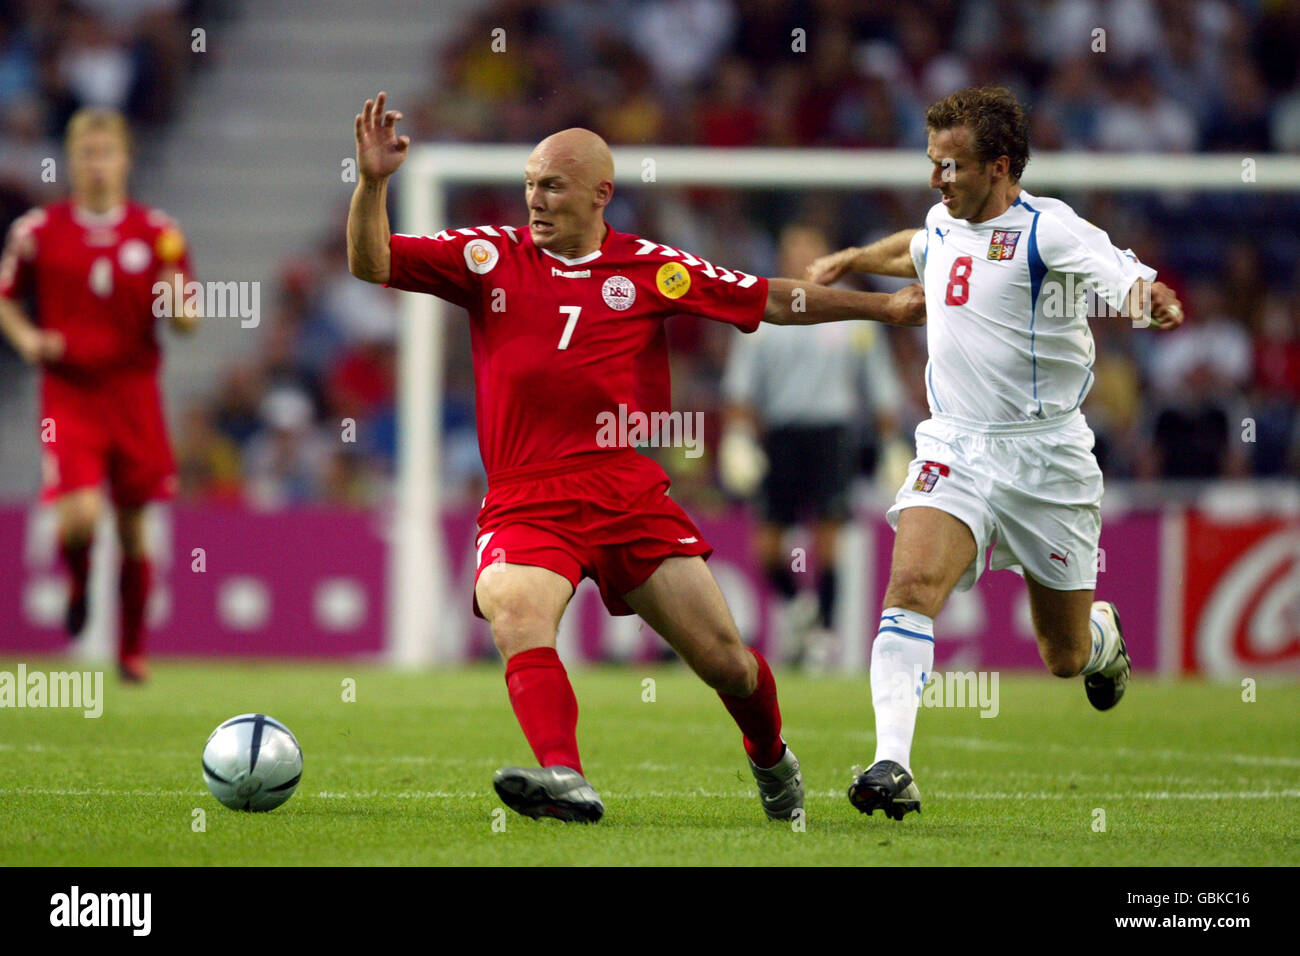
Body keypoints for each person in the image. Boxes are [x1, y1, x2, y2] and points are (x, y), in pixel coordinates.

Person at [348, 92, 926, 824]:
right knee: (516, 613)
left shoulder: (652, 269)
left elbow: (774, 301)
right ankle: (565, 775)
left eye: (552, 186)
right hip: (527, 498)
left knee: (727, 662)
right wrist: (372, 185)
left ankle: (773, 758)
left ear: (599, 193)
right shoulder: (487, 258)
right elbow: (372, 263)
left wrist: (884, 308)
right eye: (529, 184)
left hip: (626, 494)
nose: (535, 199)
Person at [807, 86, 1184, 821]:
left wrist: (1152, 299)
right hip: (956, 443)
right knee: (911, 584)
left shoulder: (1051, 231)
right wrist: (853, 256)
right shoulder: (941, 223)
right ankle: (892, 762)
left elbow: (1125, 278)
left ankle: (1101, 634)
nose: (935, 181)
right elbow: (911, 246)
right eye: (932, 164)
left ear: (1000, 167)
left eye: (951, 167)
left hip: (1049, 460)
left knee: (1062, 658)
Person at [0, 108, 197, 683]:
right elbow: (6, 298)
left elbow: (187, 321)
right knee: (82, 514)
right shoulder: (38, 231)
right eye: (86, 154)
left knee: (135, 526)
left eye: (106, 153)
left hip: (134, 393)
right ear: (71, 161)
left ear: (125, 160)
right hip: (70, 394)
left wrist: (173, 300)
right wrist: (28, 338)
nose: (97, 165)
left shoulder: (158, 233)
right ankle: (82, 582)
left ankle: (131, 651)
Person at [721, 223, 902, 667]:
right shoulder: (762, 315)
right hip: (779, 437)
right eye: (793, 249)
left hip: (832, 437)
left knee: (828, 540)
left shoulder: (851, 315)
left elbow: (880, 388)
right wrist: (739, 438)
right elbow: (740, 393)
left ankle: (822, 633)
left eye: (810, 249)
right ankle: (798, 608)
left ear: (827, 258)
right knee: (765, 547)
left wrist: (892, 441)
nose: (801, 258)